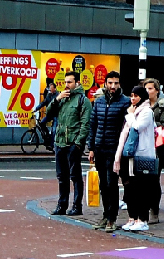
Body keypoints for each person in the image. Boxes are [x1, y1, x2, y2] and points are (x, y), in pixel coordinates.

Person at [86, 71, 130, 231]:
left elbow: (127, 127)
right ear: (105, 83)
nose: (113, 86)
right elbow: (93, 125)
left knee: (112, 183)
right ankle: (106, 215)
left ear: (119, 84)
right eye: (110, 83)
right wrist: (91, 147)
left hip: (115, 149)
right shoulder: (98, 102)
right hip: (99, 148)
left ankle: (112, 217)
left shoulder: (125, 102)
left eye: (116, 83)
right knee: (103, 184)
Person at [113, 85, 158, 232]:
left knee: (141, 189)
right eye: (131, 95)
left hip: (142, 156)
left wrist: (130, 115)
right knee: (131, 189)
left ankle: (142, 219)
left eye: (136, 96)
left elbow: (137, 127)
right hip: (129, 156)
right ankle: (133, 218)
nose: (133, 98)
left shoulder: (146, 112)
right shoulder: (134, 112)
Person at [53, 71, 92, 215]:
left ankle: (77, 206)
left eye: (70, 82)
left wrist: (78, 143)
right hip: (60, 142)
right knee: (61, 176)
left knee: (75, 176)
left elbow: (85, 123)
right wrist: (57, 99)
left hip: (72, 143)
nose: (67, 85)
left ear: (77, 83)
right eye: (65, 82)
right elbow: (50, 112)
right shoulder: (62, 98)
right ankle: (62, 205)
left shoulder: (83, 100)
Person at [144, 78, 164, 221]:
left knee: (154, 179)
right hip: (143, 146)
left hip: (157, 146)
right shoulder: (141, 104)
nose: (147, 91)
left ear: (157, 90)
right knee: (142, 179)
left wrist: (148, 123)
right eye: (146, 88)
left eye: (150, 88)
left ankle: (154, 210)